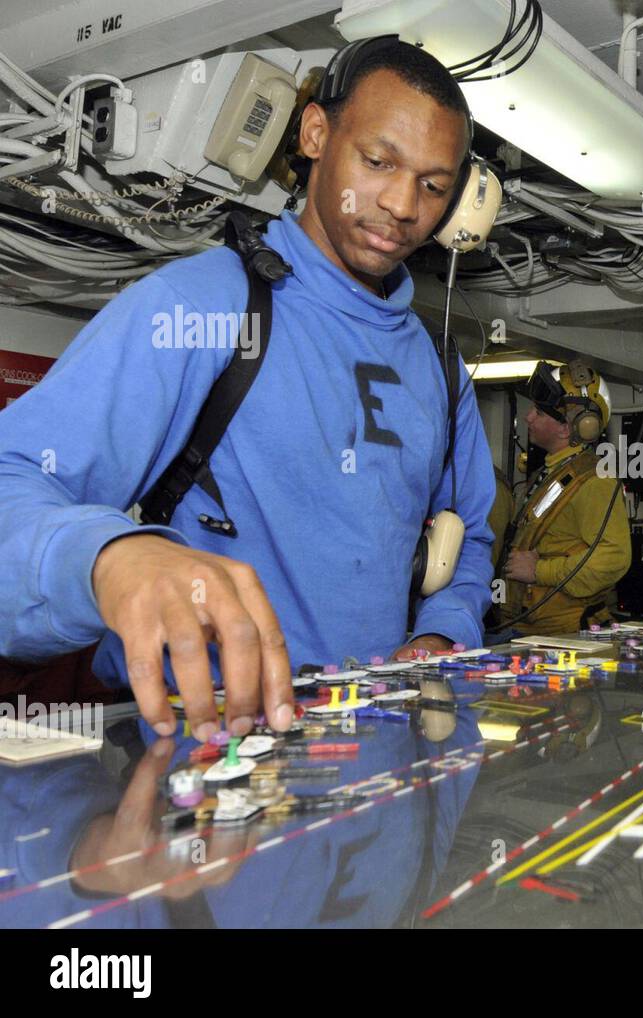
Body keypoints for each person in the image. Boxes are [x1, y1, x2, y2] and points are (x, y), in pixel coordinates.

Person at [0, 38, 496, 742]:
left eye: (434, 185)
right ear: (317, 134)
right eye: (379, 162)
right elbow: (11, 481)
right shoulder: (202, 308)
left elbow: (470, 535)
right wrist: (105, 555)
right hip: (205, 770)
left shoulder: (440, 370)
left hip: (377, 761)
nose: (401, 204)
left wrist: (442, 636)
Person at [496, 361, 631, 635]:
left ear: (568, 428)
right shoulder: (552, 473)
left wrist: (540, 571)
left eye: (539, 412)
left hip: (562, 636)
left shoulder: (595, 481)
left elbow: (614, 558)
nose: (528, 417)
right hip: (530, 628)